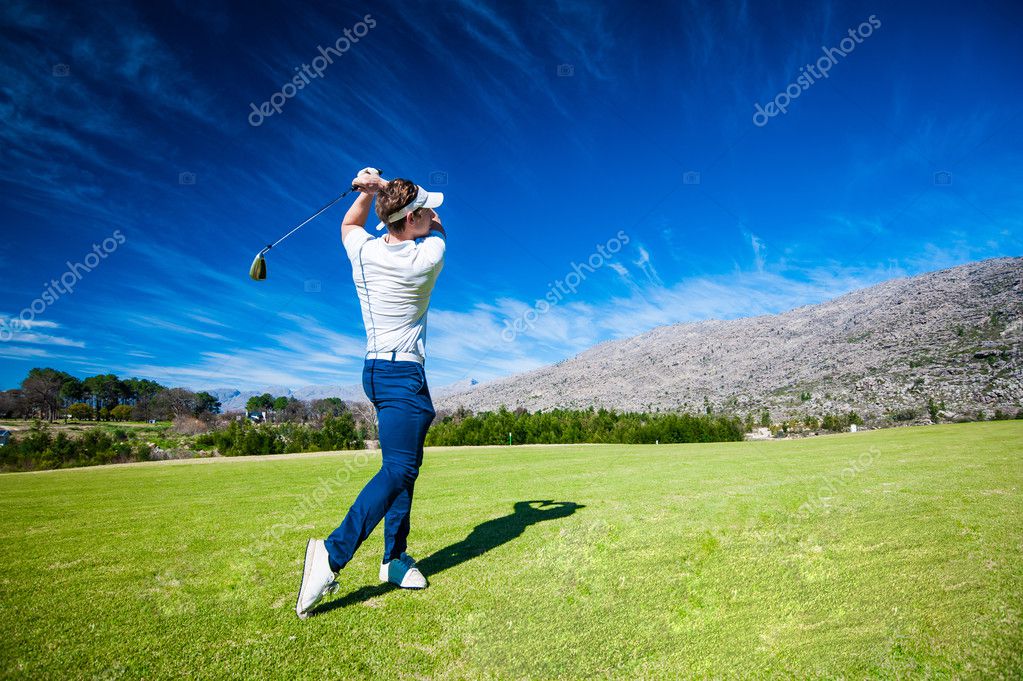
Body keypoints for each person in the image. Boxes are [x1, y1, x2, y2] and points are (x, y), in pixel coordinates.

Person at [296, 168, 446, 619]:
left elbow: (349, 225)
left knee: (402, 469)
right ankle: (331, 553)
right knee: (401, 468)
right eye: (425, 208)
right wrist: (382, 192)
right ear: (412, 218)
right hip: (402, 375)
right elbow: (438, 228)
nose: (433, 213)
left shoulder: (362, 252)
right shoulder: (426, 257)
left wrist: (369, 190)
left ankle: (394, 559)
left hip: (375, 371)